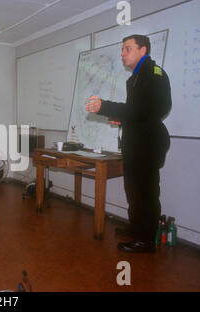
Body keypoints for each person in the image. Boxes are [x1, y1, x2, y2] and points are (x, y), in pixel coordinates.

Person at [86, 34, 171, 253]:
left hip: (148, 143)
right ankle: (137, 228)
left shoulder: (153, 75)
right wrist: (124, 117)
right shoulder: (136, 77)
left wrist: (105, 106)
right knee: (133, 190)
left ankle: (146, 240)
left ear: (143, 50)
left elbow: (149, 110)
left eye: (128, 49)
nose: (123, 53)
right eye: (122, 49)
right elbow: (138, 112)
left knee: (146, 192)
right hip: (137, 141)